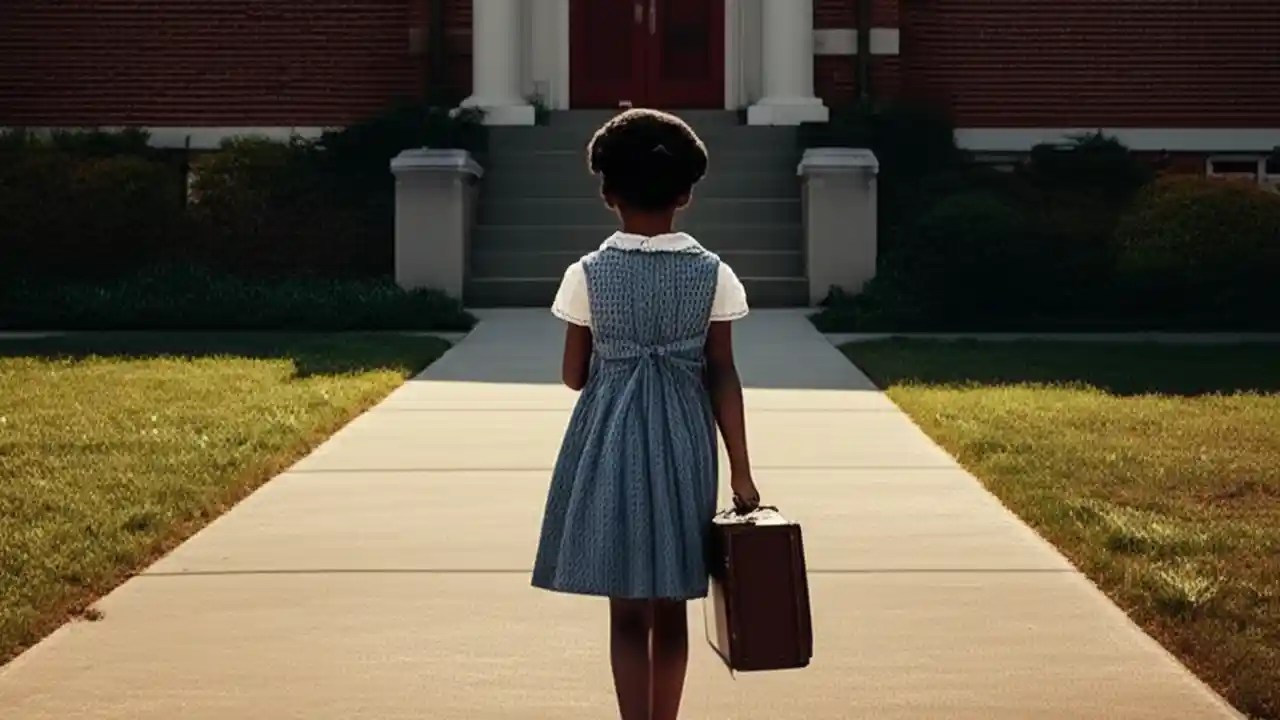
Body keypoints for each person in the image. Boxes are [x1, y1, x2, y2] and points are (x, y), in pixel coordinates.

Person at [531, 108, 761, 720]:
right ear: (686, 192)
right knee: (672, 605)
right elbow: (723, 373)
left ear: (607, 193)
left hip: (609, 446)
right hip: (686, 446)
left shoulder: (588, 274)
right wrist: (740, 470)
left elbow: (574, 376)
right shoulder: (713, 274)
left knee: (626, 609)